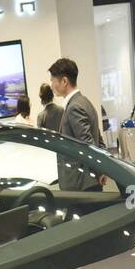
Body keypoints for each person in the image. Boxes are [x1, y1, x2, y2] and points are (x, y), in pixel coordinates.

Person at [48, 57, 103, 191]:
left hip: (81, 185)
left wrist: (101, 170)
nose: (51, 85)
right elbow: (99, 141)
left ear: (64, 81)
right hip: (89, 181)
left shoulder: (74, 107)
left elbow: (88, 145)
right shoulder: (85, 102)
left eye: (52, 80)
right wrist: (102, 170)